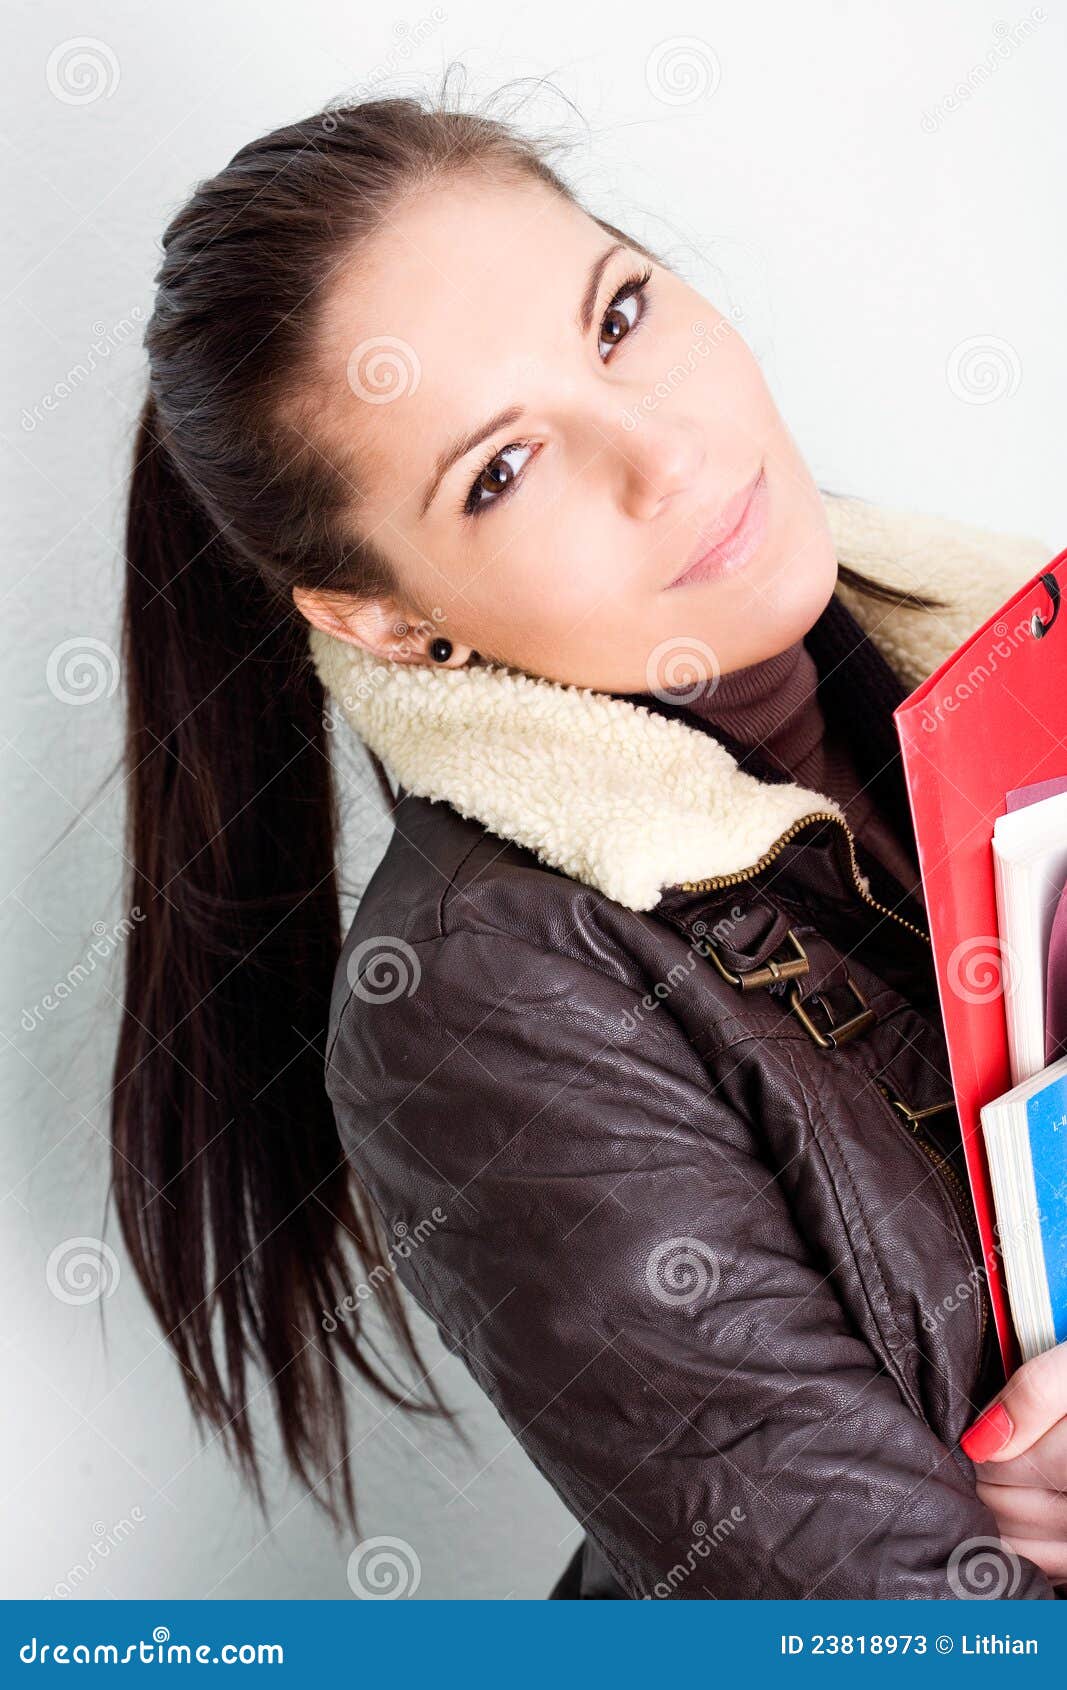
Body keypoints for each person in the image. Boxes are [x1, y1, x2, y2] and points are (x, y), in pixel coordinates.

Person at [112, 87, 1065, 1599]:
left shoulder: (1013, 651)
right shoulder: (475, 1001)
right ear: (386, 619)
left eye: (618, 316)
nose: (663, 458)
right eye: (500, 468)